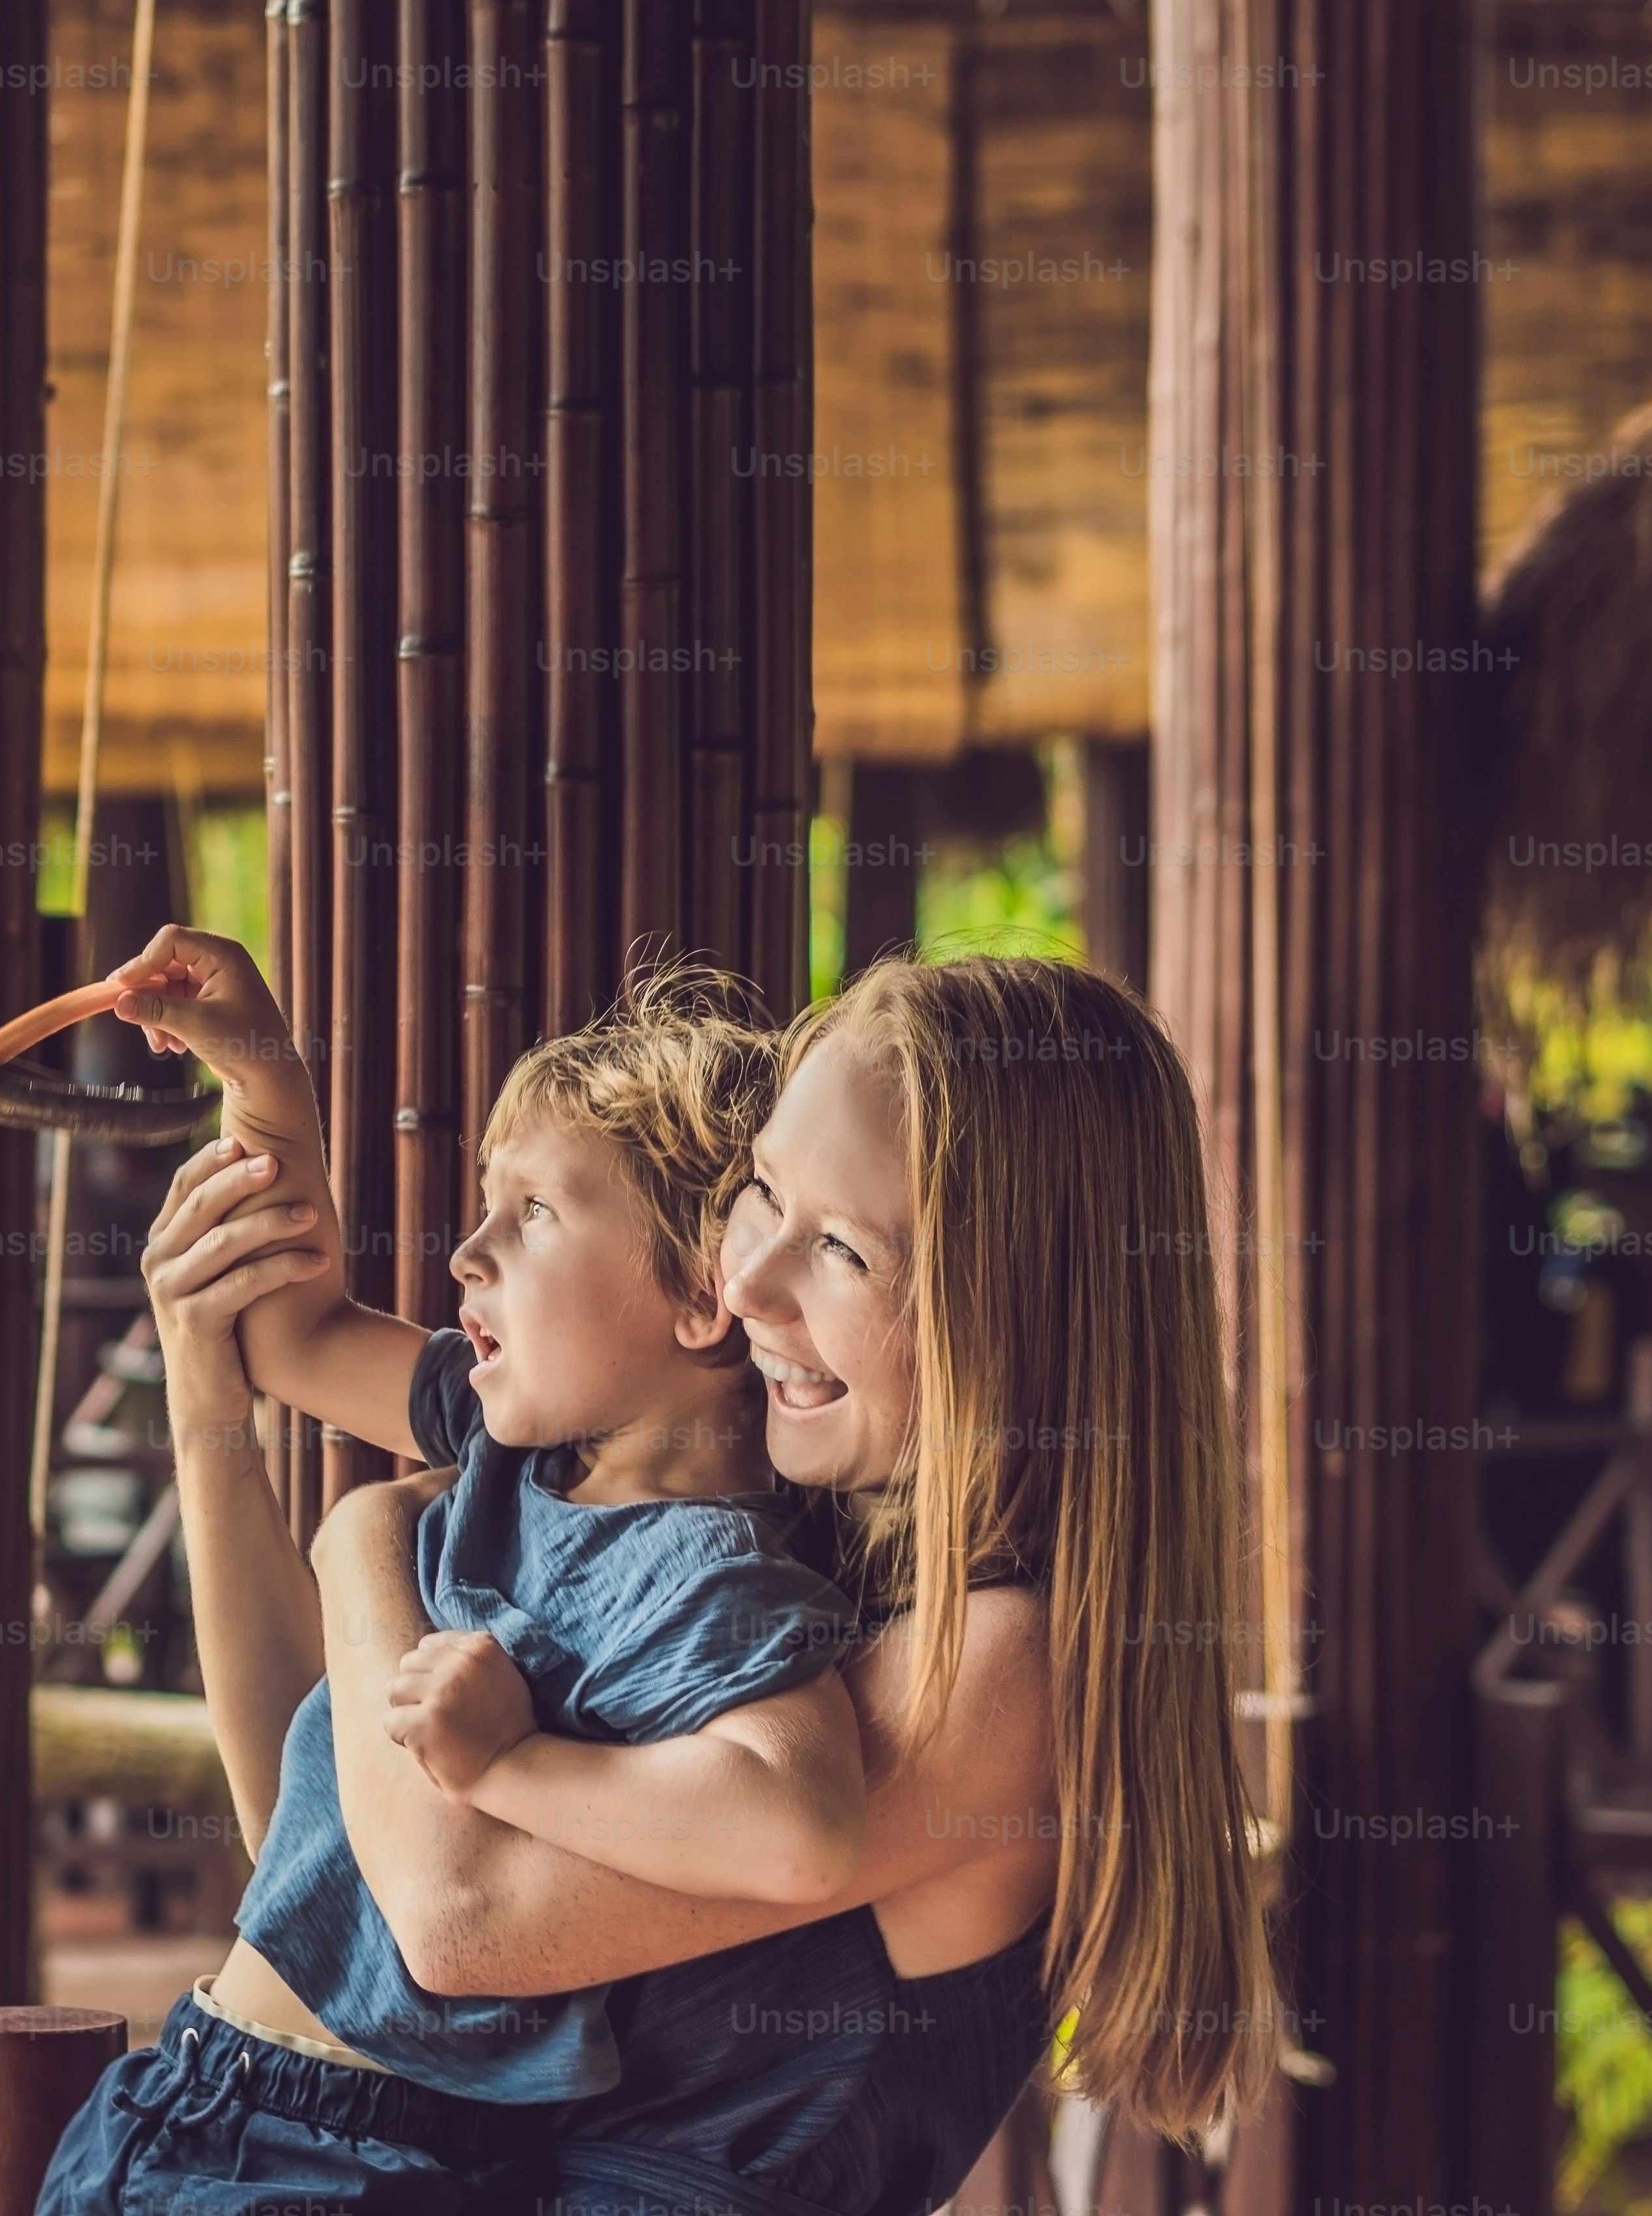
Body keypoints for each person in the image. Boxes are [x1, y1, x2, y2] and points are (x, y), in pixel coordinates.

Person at [88, 938, 1271, 2213]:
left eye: (846, 1251)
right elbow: (324, 1876)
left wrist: (370, 1536)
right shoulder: (768, 1516)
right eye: (763, 1194)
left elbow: (452, 1911)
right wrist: (210, 1378)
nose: (745, 1279)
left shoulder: (996, 1668)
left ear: (1015, 1311)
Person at [41, 955, 865, 2210]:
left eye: (533, 1211)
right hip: (200, 2086)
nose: (469, 1252)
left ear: (707, 1291)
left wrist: (512, 1767)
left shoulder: (708, 1572)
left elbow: (802, 1824)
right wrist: (265, 1083)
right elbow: (292, 1334)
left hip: (350, 2154)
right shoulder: (510, 1448)